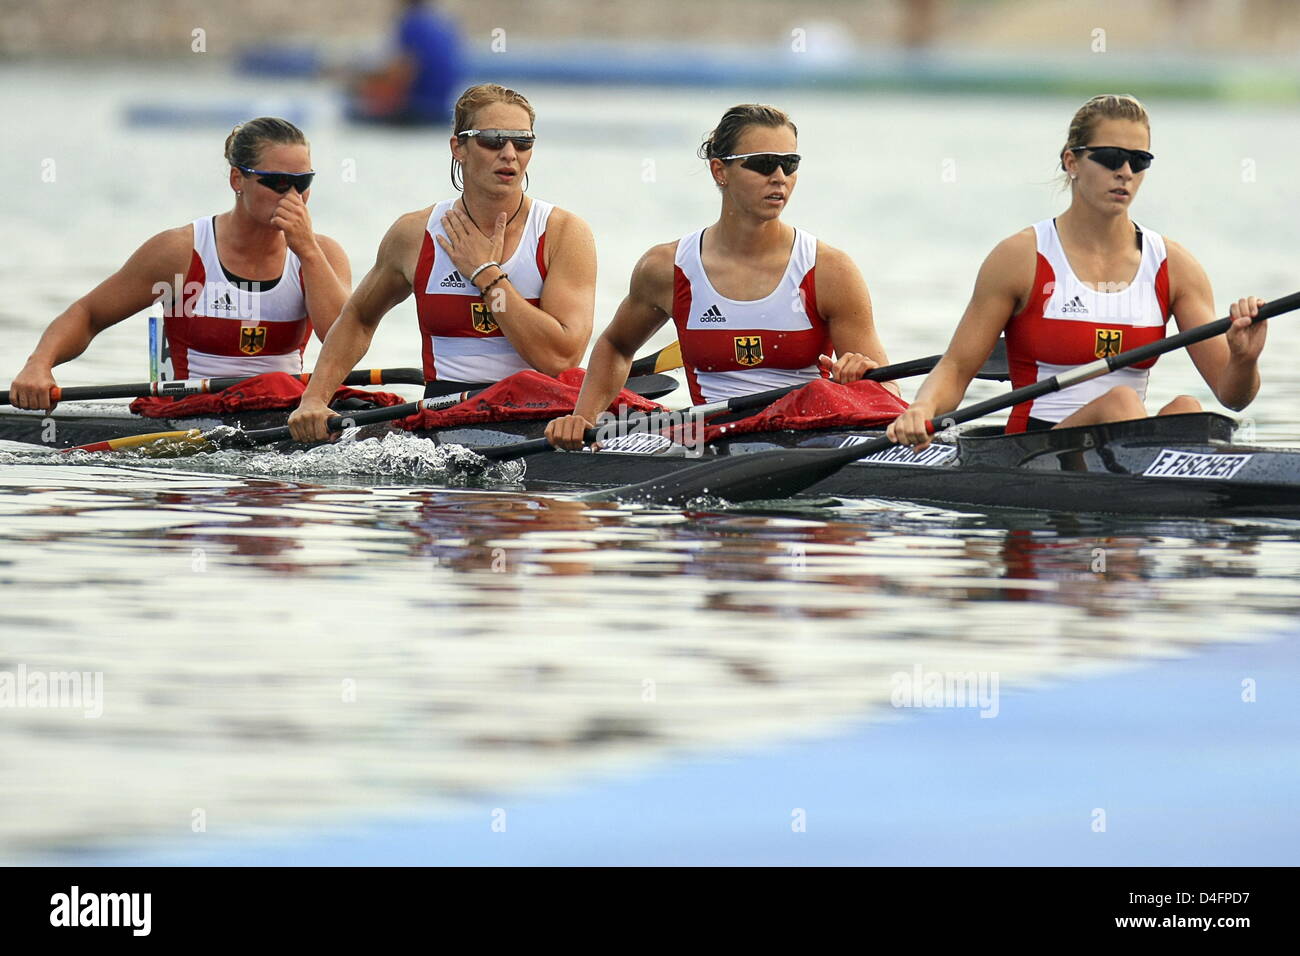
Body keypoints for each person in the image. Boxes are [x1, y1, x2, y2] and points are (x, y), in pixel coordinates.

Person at [889, 93, 1266, 449]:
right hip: (1031, 451)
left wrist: (1244, 360)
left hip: (1124, 443)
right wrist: (922, 409)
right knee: (1119, 403)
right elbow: (956, 368)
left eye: (1139, 160)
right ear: (1072, 162)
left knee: (1188, 409)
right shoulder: (1021, 257)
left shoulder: (1175, 267)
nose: (1125, 172)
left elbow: (1232, 397)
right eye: (1110, 157)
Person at [545, 103, 896, 450]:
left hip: (809, 433)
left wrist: (862, 375)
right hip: (713, 437)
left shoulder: (830, 270)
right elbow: (616, 346)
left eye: (789, 164)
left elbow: (888, 390)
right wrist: (585, 420)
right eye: (761, 164)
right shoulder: (667, 268)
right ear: (719, 171)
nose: (779, 177)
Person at [288, 83, 596, 441]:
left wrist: (487, 275)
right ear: (458, 147)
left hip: (537, 416)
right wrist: (314, 398)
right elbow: (358, 317)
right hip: (445, 421)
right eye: (493, 140)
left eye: (522, 142)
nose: (510, 154)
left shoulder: (563, 233)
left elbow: (561, 358)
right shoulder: (414, 234)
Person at [7, 117, 351, 410]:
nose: (293, 196)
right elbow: (89, 314)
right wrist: (39, 365)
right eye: (277, 182)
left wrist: (307, 252)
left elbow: (346, 343)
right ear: (237, 180)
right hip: (192, 411)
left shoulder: (324, 255)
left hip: (285, 407)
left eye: (302, 182)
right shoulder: (180, 251)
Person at [347, 0, 463, 126]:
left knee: (351, 111)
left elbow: (404, 72)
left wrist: (363, 82)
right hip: (441, 108)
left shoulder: (411, 23)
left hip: (419, 108)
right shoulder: (444, 22)